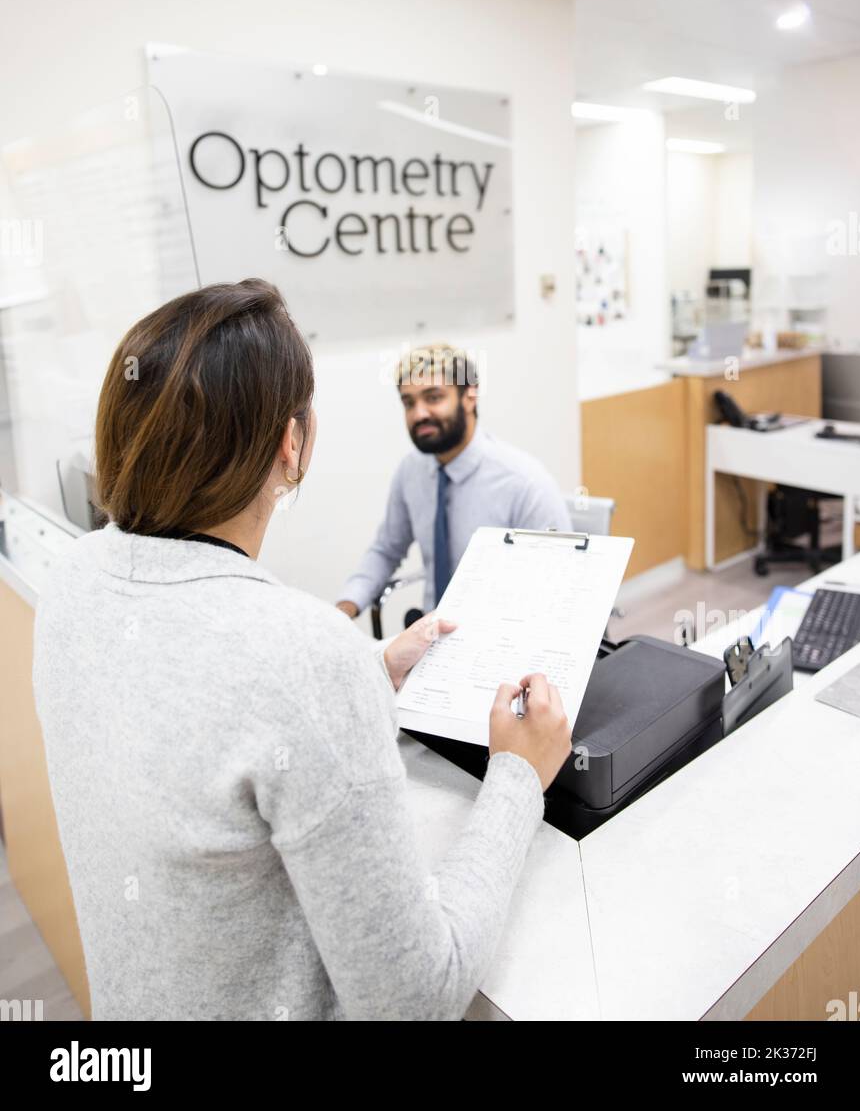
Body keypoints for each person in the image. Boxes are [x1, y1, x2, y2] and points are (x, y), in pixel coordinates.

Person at [33, 279, 572, 1021]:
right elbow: (415, 999)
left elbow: (207, 711)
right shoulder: (300, 654)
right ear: (293, 443)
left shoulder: (70, 579)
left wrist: (365, 666)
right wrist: (517, 775)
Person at [337, 342, 572, 622]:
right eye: (409, 402)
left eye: (433, 397)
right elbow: (386, 549)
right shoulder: (411, 471)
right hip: (429, 635)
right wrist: (344, 609)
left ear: (469, 397)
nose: (419, 414)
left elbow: (558, 590)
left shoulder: (525, 484)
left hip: (503, 638)